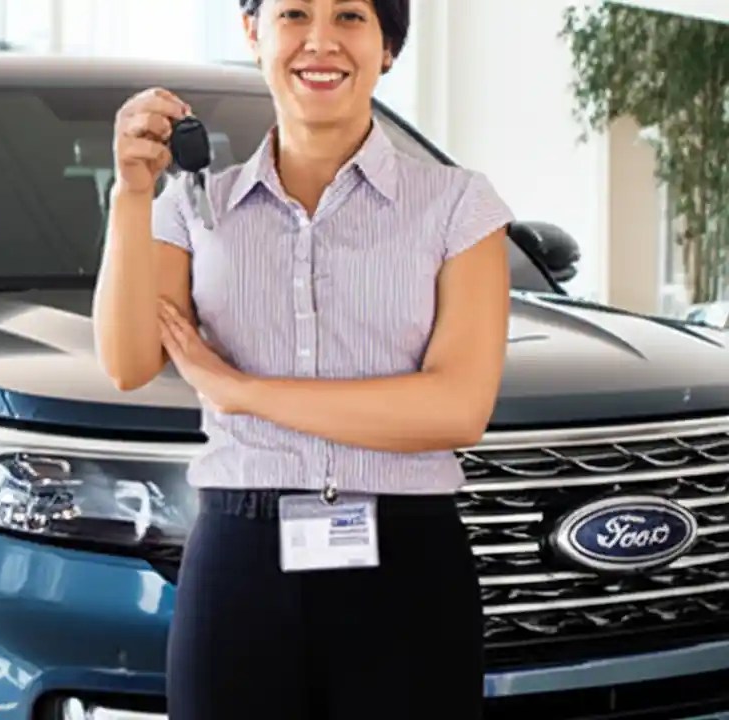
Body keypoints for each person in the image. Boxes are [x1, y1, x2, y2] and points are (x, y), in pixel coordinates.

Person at [92, 0, 515, 717]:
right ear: (254, 34)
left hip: (407, 567)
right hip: (238, 562)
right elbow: (128, 361)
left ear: (387, 47)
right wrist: (133, 195)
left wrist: (242, 390)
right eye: (294, 13)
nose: (321, 41)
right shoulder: (193, 208)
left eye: (351, 16)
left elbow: (455, 408)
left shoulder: (458, 207)